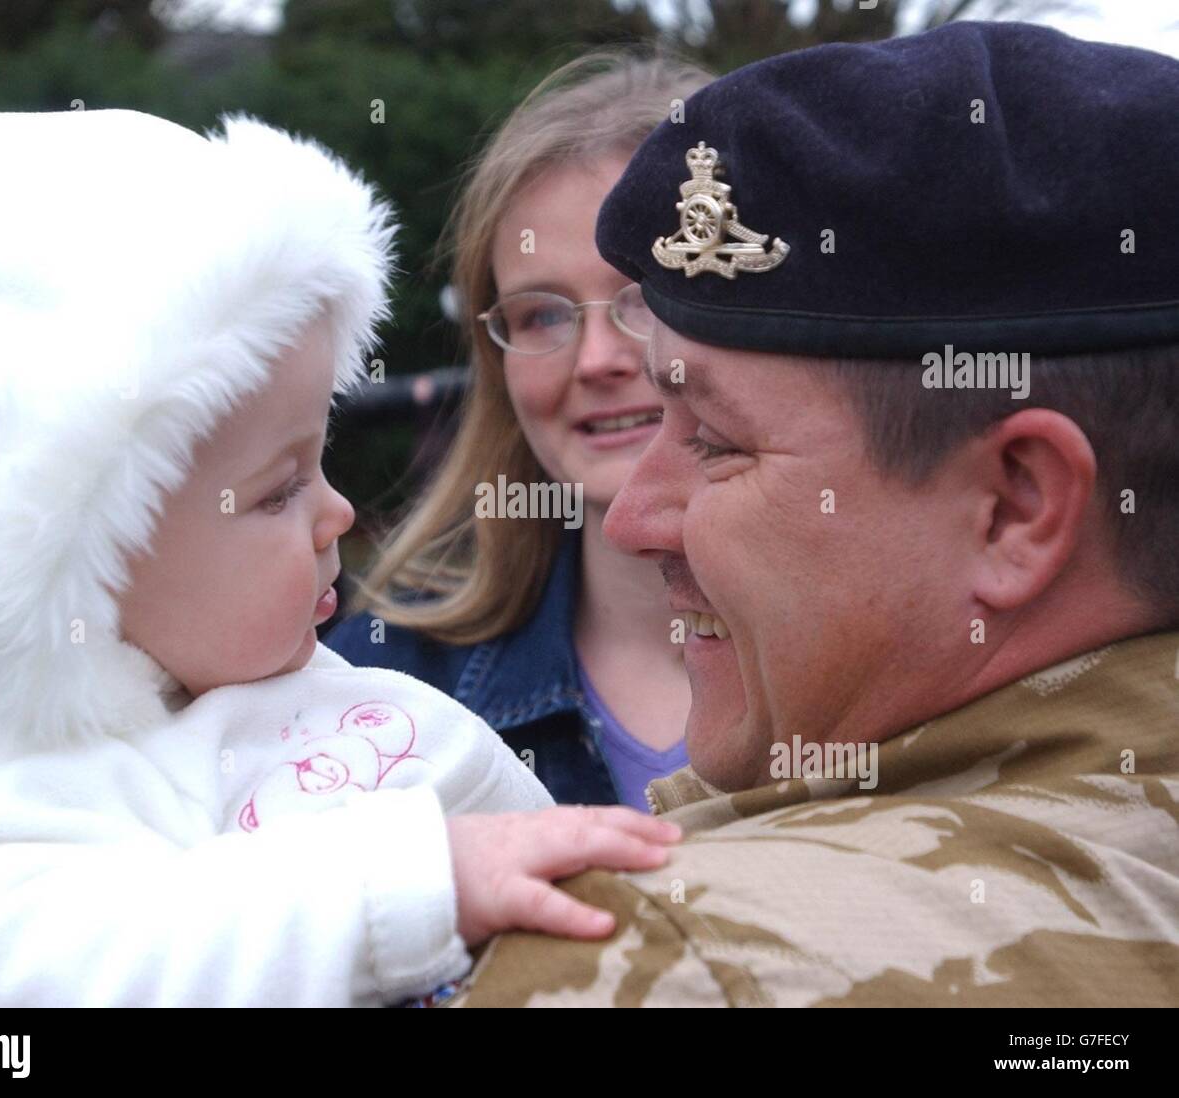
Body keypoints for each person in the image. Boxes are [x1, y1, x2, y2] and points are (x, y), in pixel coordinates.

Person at [445, 21, 1179, 1007]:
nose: (637, 519)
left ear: (1014, 507)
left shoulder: (661, 959)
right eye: (535, 316)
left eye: (713, 441)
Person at [0, 106, 680, 1007]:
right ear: (66, 573)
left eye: (319, 461)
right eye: (275, 490)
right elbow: (38, 977)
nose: (337, 510)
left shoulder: (334, 692)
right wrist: (410, 893)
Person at [328, 52, 714, 810]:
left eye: (648, 298)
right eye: (542, 314)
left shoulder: (918, 661)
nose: (596, 360)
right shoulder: (392, 688)